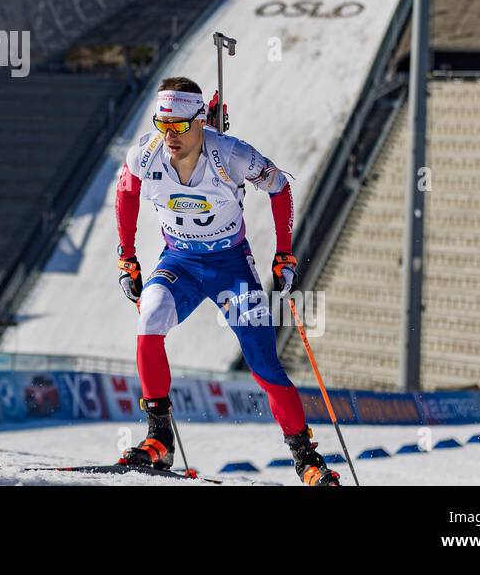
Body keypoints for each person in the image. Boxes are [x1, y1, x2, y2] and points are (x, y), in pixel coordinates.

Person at [114, 77, 339, 486]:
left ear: (201, 121)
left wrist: (284, 253)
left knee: (263, 362)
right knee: (149, 318)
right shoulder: (146, 153)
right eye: (163, 125)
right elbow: (126, 191)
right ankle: (159, 438)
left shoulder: (229, 155)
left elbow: (279, 186)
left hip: (230, 267)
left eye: (180, 126)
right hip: (180, 262)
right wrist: (127, 257)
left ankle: (305, 458)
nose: (170, 136)